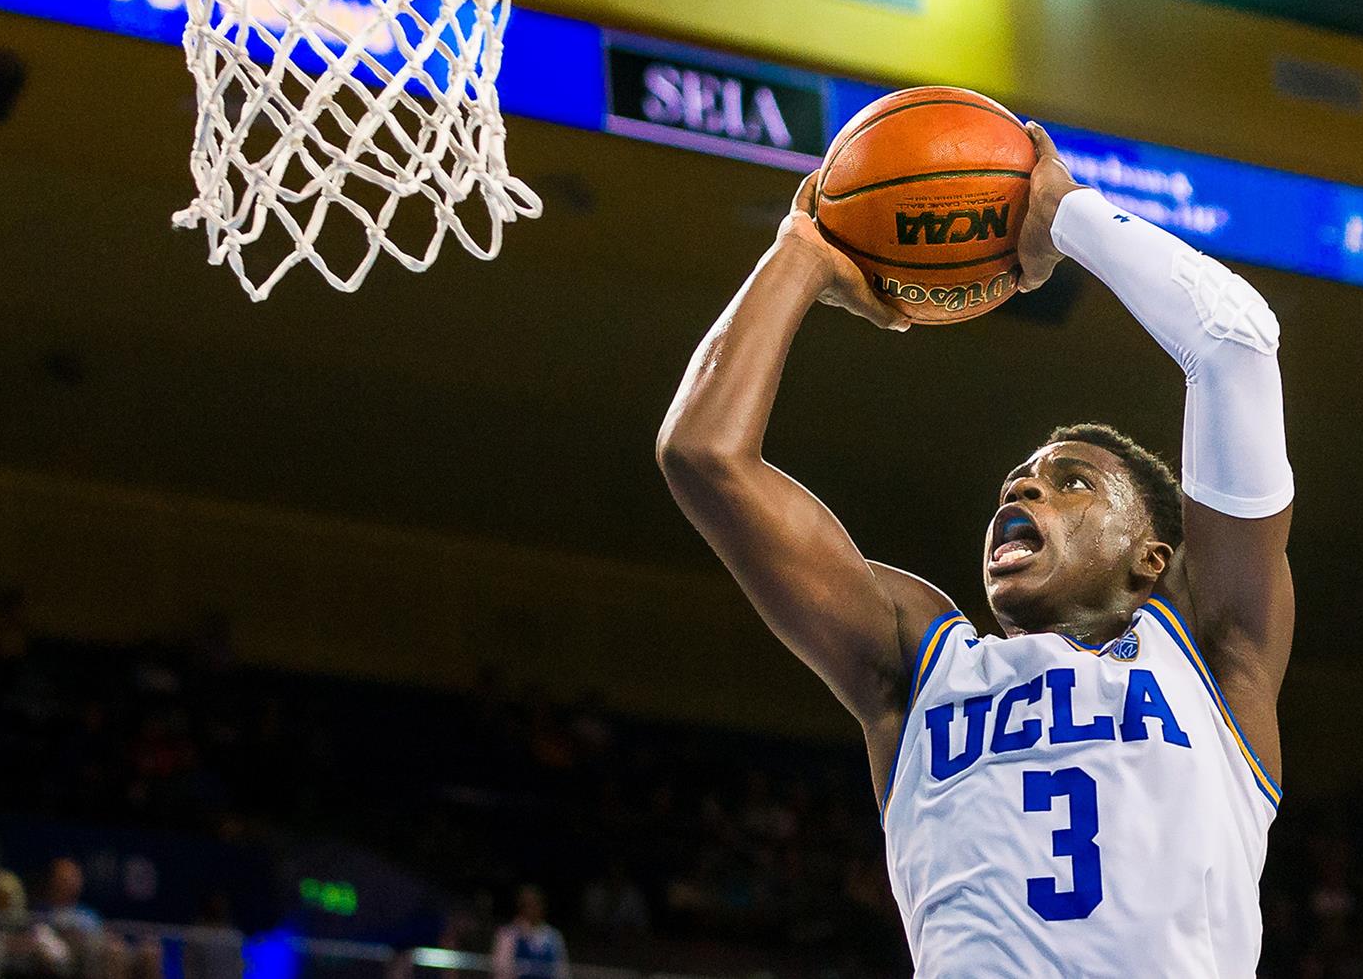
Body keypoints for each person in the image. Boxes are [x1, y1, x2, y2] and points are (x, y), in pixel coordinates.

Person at [658, 123, 1295, 977]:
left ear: (1154, 556)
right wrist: (801, 251)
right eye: (1016, 483)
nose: (1022, 492)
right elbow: (704, 454)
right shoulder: (921, 661)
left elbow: (1236, 344)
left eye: (1071, 482)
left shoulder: (1215, 656)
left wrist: (1063, 214)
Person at [488, 886, 567, 979]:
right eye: (528, 905)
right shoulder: (508, 934)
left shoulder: (553, 936)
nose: (533, 909)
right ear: (521, 907)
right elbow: (500, 970)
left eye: (536, 904)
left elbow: (562, 971)